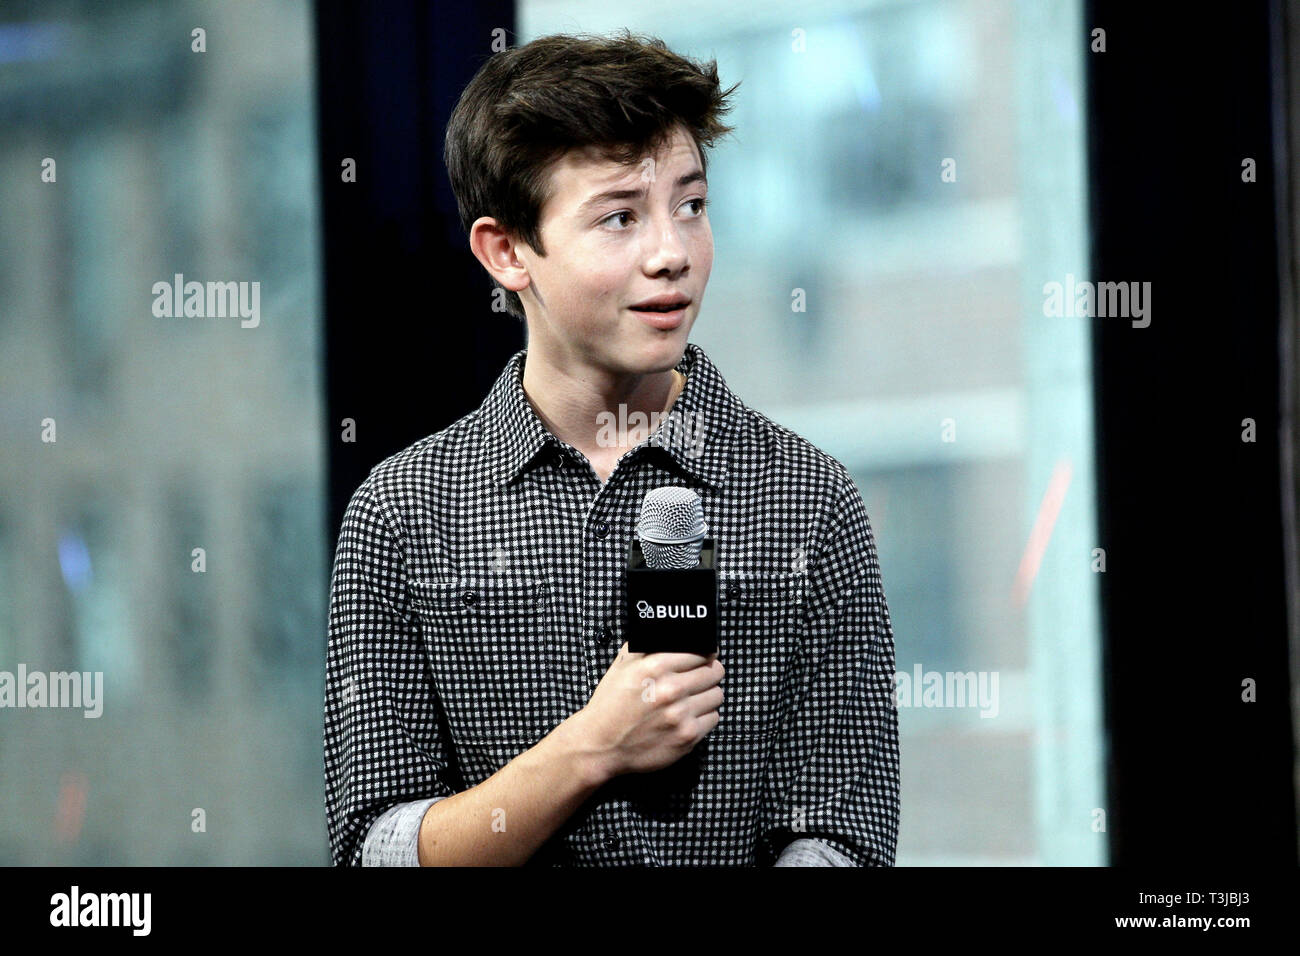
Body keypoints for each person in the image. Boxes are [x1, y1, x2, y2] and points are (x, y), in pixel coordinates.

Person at [323, 30, 900, 867]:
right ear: (507, 251)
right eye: (620, 217)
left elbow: (844, 839)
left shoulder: (807, 496)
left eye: (691, 205)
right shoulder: (405, 513)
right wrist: (593, 748)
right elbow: (374, 849)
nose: (672, 253)